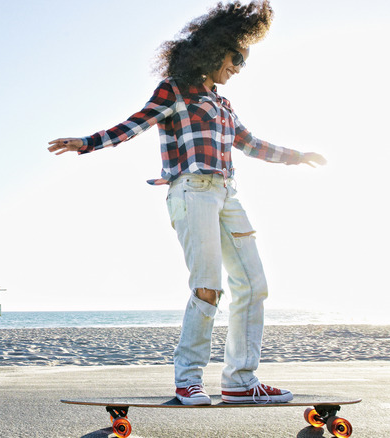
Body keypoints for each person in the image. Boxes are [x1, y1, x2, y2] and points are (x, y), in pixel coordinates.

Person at [47, 0, 326, 406]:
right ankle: (188, 379)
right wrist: (88, 142)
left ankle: (240, 381)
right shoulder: (175, 90)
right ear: (214, 50)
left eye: (244, 61)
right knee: (208, 287)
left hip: (227, 194)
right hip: (191, 191)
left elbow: (251, 145)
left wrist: (298, 156)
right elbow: (135, 123)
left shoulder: (226, 106)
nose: (239, 67)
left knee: (253, 284)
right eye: (236, 57)